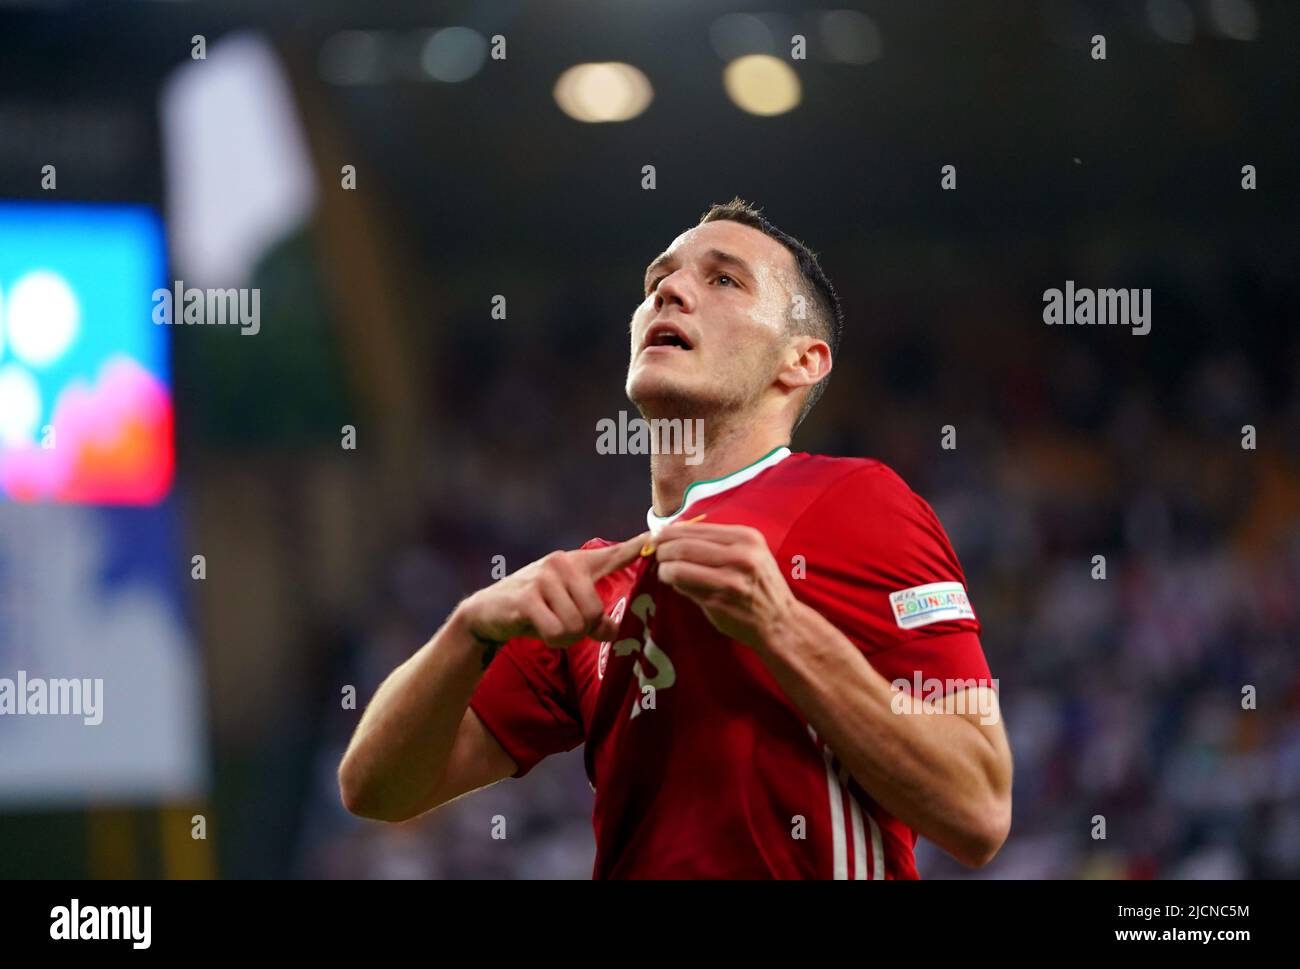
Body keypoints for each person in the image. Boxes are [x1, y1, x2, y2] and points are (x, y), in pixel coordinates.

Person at [339, 198, 1013, 878]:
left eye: (724, 279)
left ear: (801, 359)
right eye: (658, 278)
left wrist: (780, 627)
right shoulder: (590, 587)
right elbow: (375, 789)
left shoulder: (858, 502)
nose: (670, 289)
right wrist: (466, 632)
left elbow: (978, 809)